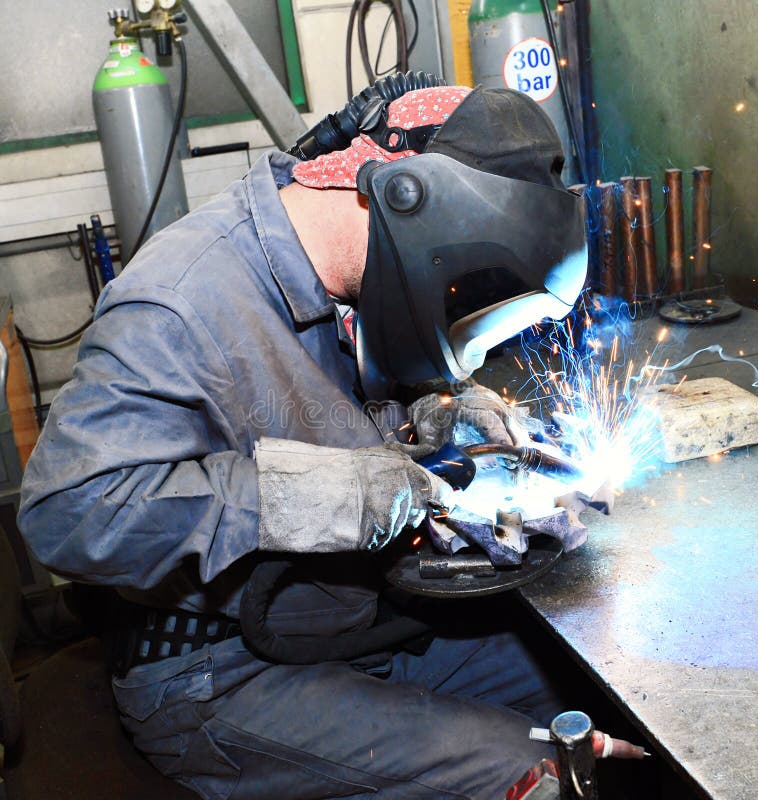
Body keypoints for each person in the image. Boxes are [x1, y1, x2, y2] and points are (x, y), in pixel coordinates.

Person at [18, 81, 587, 799]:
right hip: (218, 675)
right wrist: (306, 496)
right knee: (530, 774)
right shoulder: (179, 302)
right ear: (404, 205)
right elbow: (68, 511)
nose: (461, 335)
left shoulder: (358, 275)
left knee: (585, 679)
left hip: (354, 625)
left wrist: (441, 406)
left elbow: (339, 397)